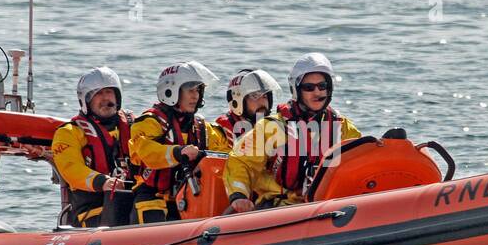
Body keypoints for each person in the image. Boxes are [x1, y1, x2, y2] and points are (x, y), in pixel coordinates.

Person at [224, 52, 361, 211]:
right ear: (297, 90)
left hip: (329, 205)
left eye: (322, 86)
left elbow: (360, 158)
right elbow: (241, 162)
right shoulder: (272, 127)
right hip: (279, 208)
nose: (317, 92)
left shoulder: (342, 127)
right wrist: (239, 195)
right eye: (309, 87)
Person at [128, 61, 232, 222]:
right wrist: (178, 152)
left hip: (189, 196)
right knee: (151, 212)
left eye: (198, 90)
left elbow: (224, 153)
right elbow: (146, 151)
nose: (195, 95)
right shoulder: (148, 122)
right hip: (154, 195)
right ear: (171, 91)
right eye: (190, 90)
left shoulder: (202, 128)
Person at [51, 66, 135, 228]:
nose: (105, 98)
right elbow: (71, 169)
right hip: (91, 210)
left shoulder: (132, 125)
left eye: (109, 92)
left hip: (130, 201)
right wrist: (102, 181)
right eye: (98, 94)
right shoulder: (69, 132)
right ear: (86, 100)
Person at [215, 68, 281, 143]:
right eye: (255, 96)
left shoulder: (276, 128)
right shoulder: (220, 133)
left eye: (265, 96)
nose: (263, 102)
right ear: (238, 99)